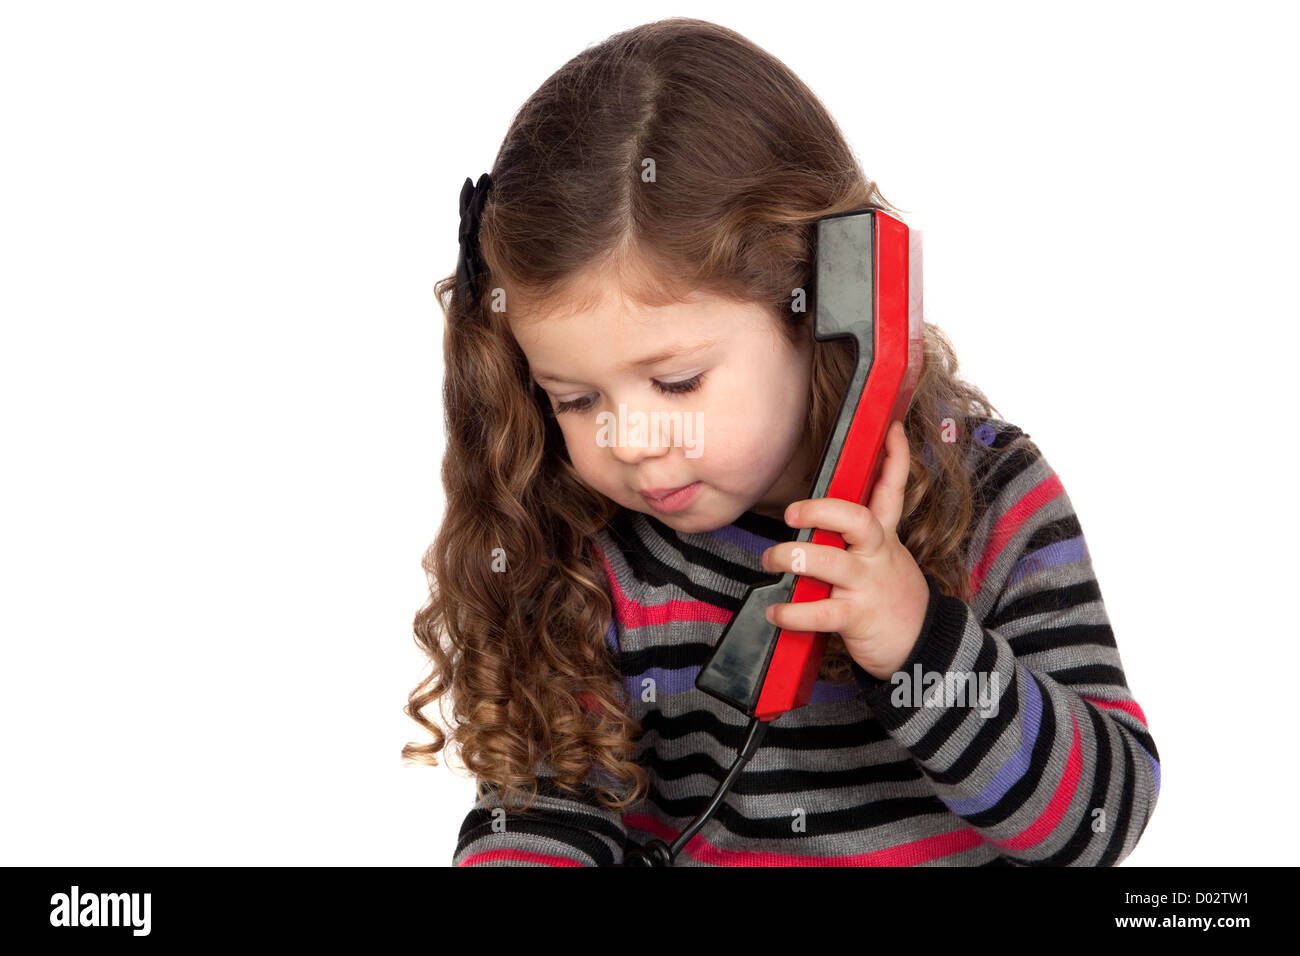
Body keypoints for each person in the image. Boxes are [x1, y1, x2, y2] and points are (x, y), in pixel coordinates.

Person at [404, 17, 1160, 866]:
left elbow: (1103, 817)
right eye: (576, 399)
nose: (633, 439)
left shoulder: (991, 503)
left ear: (829, 308)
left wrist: (921, 644)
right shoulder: (588, 555)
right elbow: (547, 818)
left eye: (679, 382)